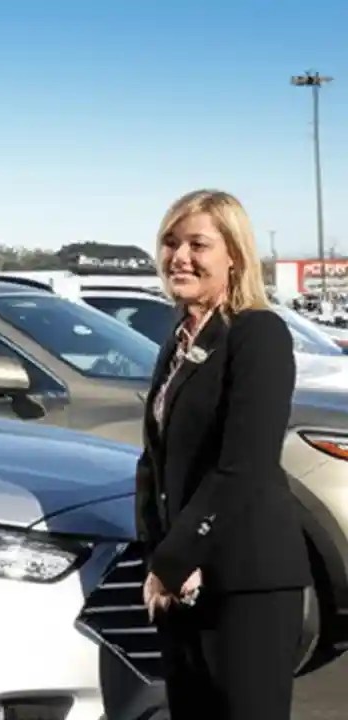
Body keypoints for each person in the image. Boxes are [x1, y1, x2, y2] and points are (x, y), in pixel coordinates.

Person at [136, 189, 312, 719]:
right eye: (170, 242)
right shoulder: (181, 335)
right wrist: (157, 550)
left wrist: (174, 558)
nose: (179, 257)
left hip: (247, 581)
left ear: (234, 254)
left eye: (198, 244)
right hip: (183, 583)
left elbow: (245, 465)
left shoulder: (258, 333)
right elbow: (157, 459)